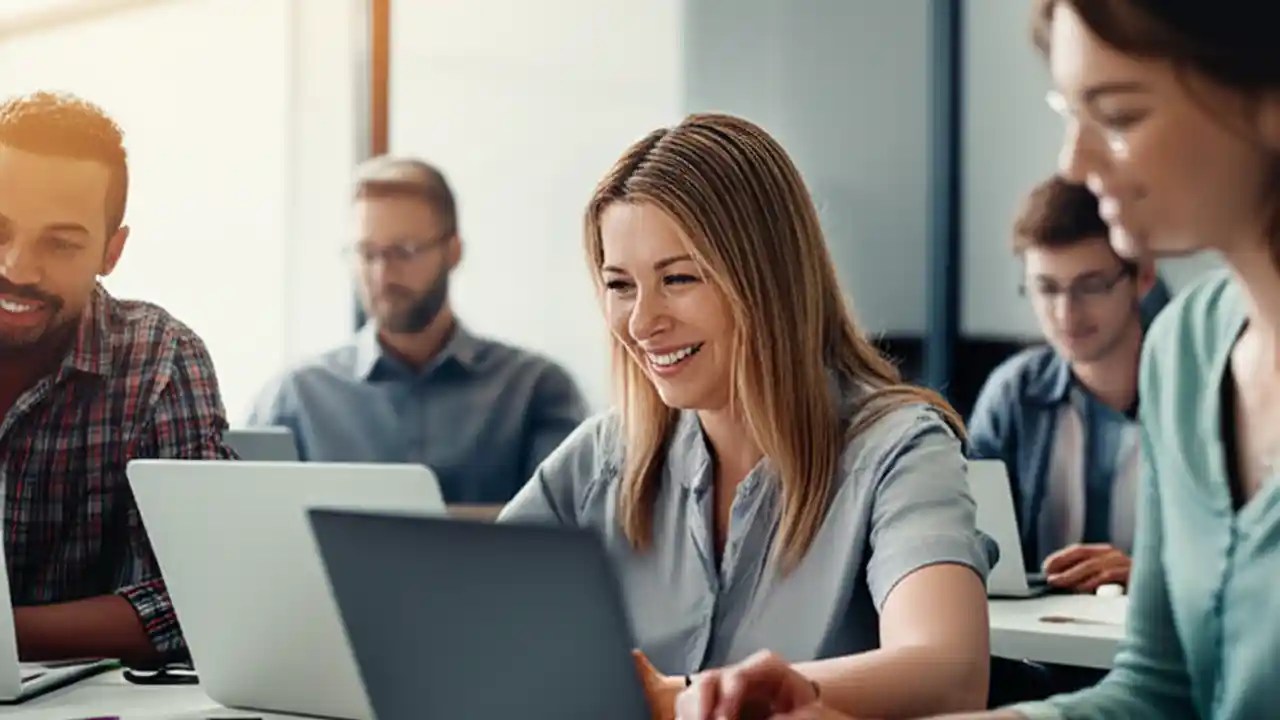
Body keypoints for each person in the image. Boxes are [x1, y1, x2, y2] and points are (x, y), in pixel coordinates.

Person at [680, 0, 1280, 718]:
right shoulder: (1188, 349)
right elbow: (1156, 694)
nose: (1074, 163)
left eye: (1118, 115)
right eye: (1069, 111)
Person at [500, 113, 993, 719]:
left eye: (678, 278)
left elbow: (950, 672)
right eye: (620, 285)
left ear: (767, 279)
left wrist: (681, 698)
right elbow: (469, 628)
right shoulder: (603, 457)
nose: (641, 321)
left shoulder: (896, 450)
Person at [0, 91, 234, 664]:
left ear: (111, 250)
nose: (16, 269)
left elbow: (200, 597)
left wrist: (6, 639)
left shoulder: (160, 358)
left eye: (60, 243)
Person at [248, 156, 586, 504]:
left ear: (453, 251)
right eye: (366, 253)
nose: (382, 274)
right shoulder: (296, 398)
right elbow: (254, 525)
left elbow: (559, 533)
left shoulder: (535, 392)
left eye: (404, 251)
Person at [968, 177, 1170, 593]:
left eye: (1091, 285)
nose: (1066, 313)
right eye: (1046, 288)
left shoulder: (1198, 393)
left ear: (1143, 277)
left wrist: (1150, 579)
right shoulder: (1014, 394)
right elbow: (969, 536)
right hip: (1038, 646)